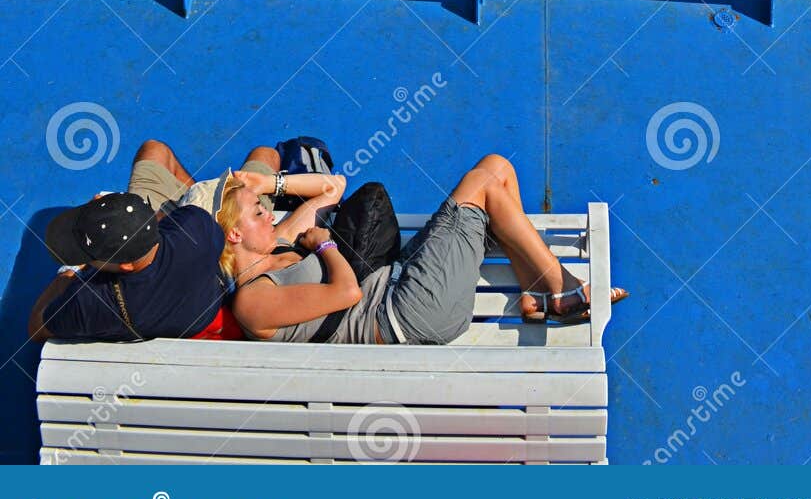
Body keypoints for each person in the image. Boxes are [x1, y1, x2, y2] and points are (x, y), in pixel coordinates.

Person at [219, 152, 627, 344]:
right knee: (483, 184)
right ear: (234, 236)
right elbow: (347, 293)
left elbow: (333, 187)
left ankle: (533, 294)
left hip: (399, 281)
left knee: (497, 167)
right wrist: (324, 245)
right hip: (403, 316)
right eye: (257, 211)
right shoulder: (253, 300)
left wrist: (268, 184)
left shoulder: (281, 241)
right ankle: (561, 288)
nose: (268, 214)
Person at [27, 137, 343, 344]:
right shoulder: (197, 229)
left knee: (156, 153)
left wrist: (72, 271)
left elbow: (36, 327)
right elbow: (187, 219)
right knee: (262, 155)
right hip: (200, 241)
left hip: (194, 252)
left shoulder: (94, 304)